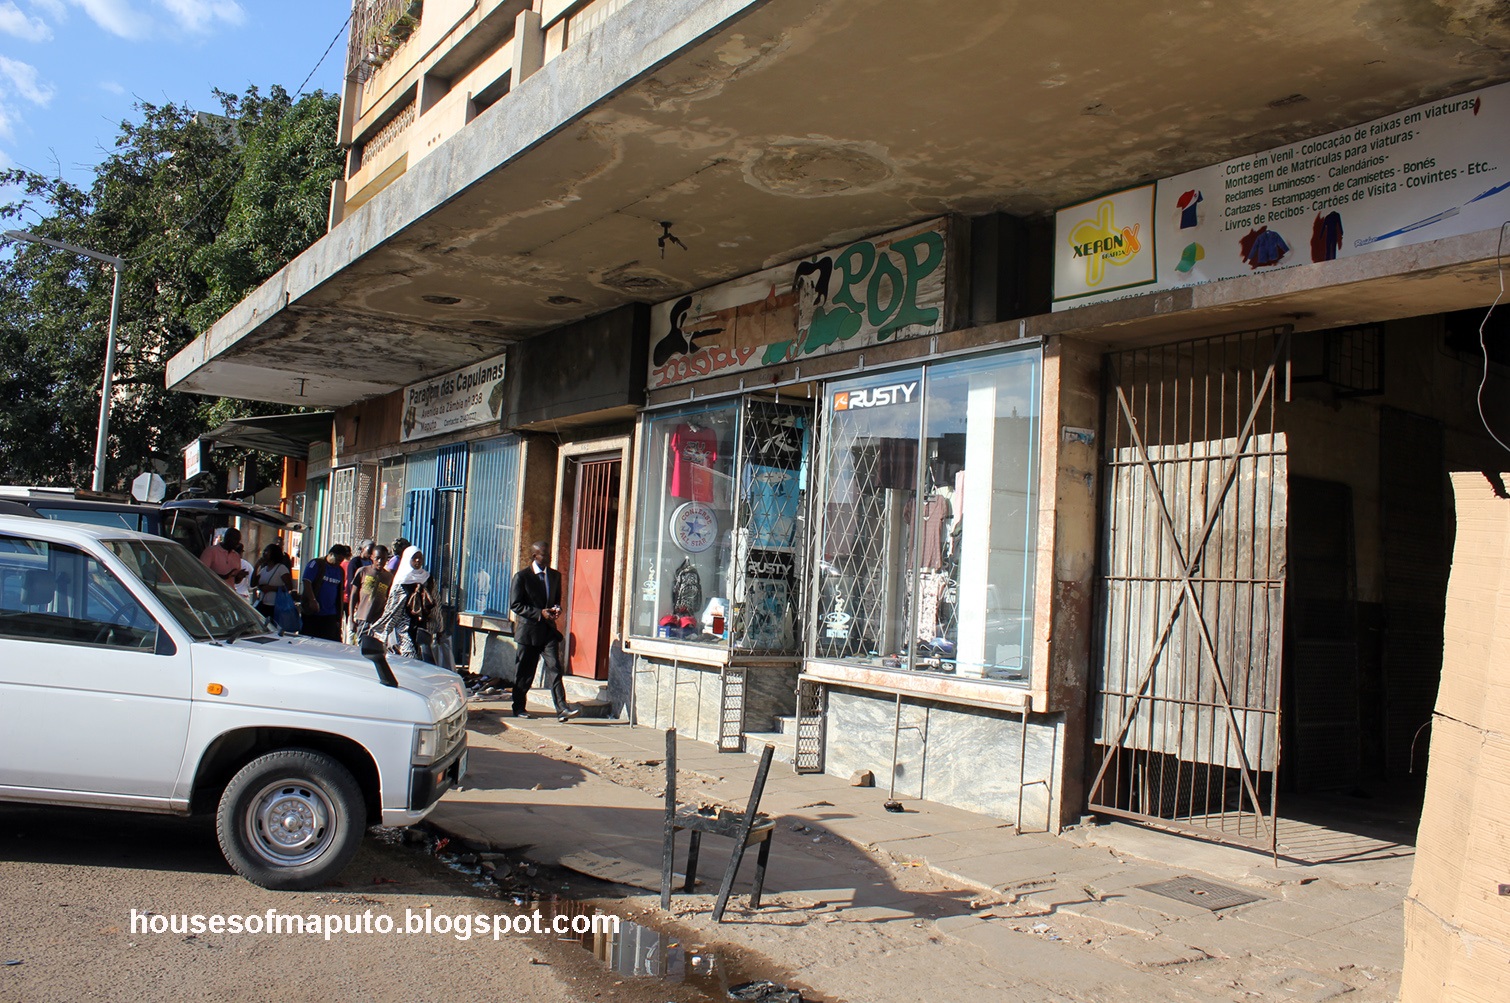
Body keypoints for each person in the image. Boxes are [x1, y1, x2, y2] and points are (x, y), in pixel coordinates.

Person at [509, 541, 578, 722]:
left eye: (549, 555)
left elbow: (555, 600)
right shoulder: (522, 577)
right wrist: (540, 613)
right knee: (525, 671)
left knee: (554, 666)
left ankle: (562, 708)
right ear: (534, 556)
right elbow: (516, 605)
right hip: (529, 632)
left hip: (548, 631)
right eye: (544, 555)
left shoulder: (554, 576)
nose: (548, 558)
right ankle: (519, 707)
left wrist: (556, 610)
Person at [369, 546, 432, 659]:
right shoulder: (402, 581)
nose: (418, 560)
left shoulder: (427, 579)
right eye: (414, 558)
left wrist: (439, 628)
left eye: (420, 558)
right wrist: (382, 633)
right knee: (410, 657)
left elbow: (435, 606)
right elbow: (393, 611)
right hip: (405, 628)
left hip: (423, 628)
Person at [302, 544, 351, 641]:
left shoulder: (340, 571)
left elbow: (339, 591)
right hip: (314, 613)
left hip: (330, 614)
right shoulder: (316, 564)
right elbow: (306, 581)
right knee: (310, 640)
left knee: (329, 640)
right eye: (337, 560)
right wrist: (312, 600)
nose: (339, 563)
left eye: (341, 561)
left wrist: (339, 614)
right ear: (331, 554)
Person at [348, 544, 393, 645]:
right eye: (377, 558)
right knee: (361, 646)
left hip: (378, 621)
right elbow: (353, 595)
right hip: (362, 618)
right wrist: (351, 618)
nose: (380, 561)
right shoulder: (363, 571)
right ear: (371, 557)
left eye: (383, 558)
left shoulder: (389, 577)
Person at [252, 543, 293, 620]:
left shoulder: (281, 568)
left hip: (275, 605)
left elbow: (289, 587)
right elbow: (253, 584)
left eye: (267, 551)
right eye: (264, 551)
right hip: (263, 604)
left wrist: (272, 588)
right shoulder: (263, 569)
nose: (264, 553)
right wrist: (256, 566)